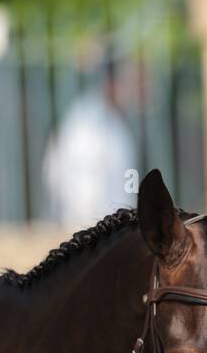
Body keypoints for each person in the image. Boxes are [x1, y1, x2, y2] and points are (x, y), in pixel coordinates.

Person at [42, 51, 139, 234]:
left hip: (114, 230)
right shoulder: (84, 123)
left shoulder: (116, 122)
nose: (130, 90)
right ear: (111, 83)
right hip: (89, 231)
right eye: (126, 83)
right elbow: (72, 183)